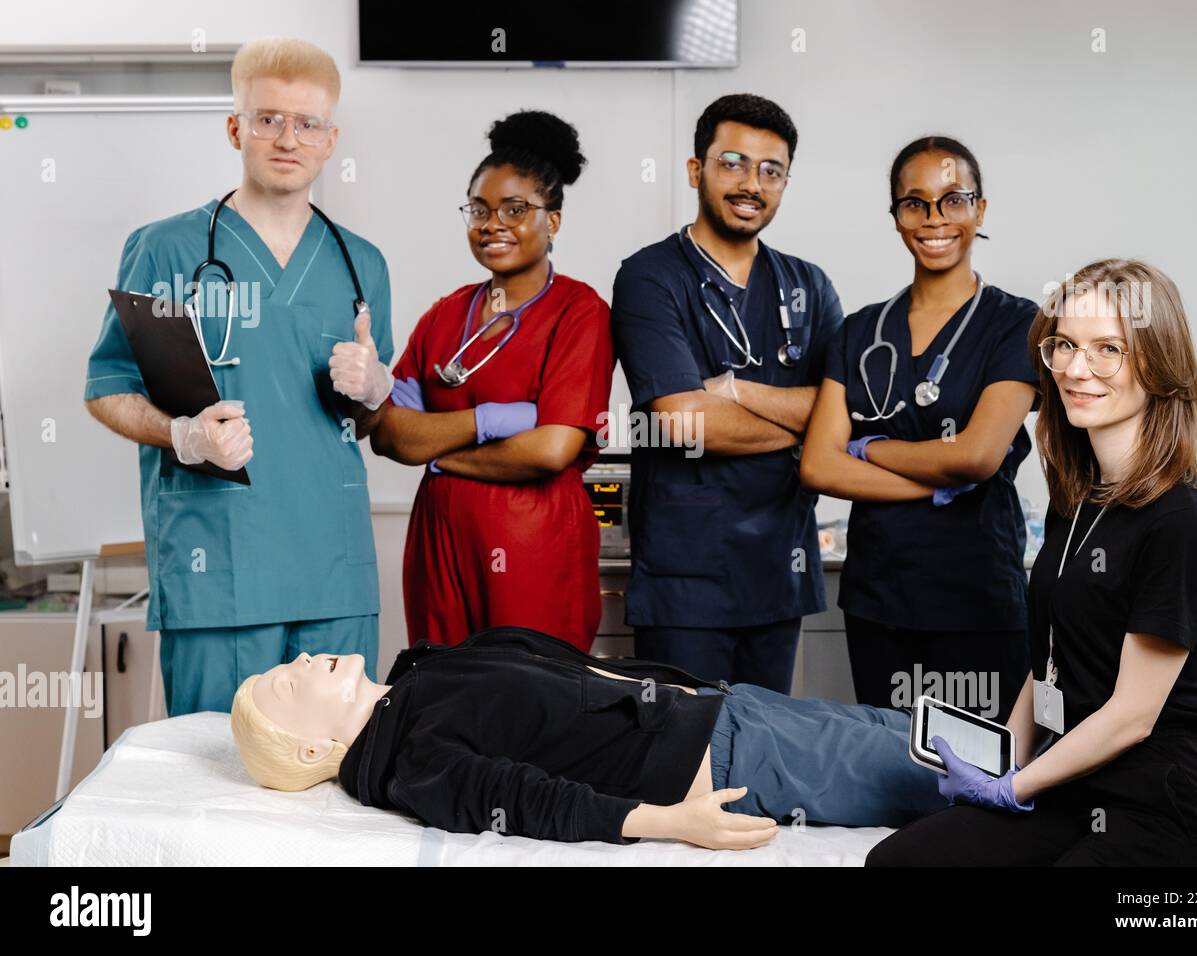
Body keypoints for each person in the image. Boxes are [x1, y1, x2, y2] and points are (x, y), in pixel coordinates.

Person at [865, 259, 1197, 866]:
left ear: (1159, 363)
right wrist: (1004, 764)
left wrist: (1013, 787)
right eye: (1065, 345)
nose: (1075, 369)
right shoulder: (1076, 502)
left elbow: (1130, 717)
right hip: (1071, 782)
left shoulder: (1182, 520)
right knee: (899, 862)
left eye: (1107, 350)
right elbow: (1050, 660)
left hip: (1165, 810)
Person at [84, 37, 393, 716]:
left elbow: (368, 425)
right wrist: (183, 435)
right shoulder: (166, 249)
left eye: (308, 123)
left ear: (331, 139)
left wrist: (376, 390)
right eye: (269, 118)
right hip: (219, 570)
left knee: (332, 786)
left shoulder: (359, 264)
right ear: (236, 128)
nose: (289, 138)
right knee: (212, 784)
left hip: (332, 578)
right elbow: (106, 388)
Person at [229, 625, 948, 848]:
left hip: (727, 709)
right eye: (288, 685)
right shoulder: (413, 761)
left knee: (928, 736)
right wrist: (672, 824)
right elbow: (526, 799)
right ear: (314, 751)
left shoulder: (414, 679)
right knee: (957, 780)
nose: (298, 662)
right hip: (729, 757)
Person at [610, 94, 844, 692]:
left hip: (779, 570)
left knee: (764, 753)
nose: (752, 183)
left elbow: (844, 414)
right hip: (687, 580)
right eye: (733, 163)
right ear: (697, 171)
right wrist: (801, 417)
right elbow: (687, 422)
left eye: (772, 171)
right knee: (683, 761)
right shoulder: (651, 276)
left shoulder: (808, 285)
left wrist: (734, 390)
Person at [801, 136, 1039, 724]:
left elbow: (979, 457)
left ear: (980, 209)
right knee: (892, 769)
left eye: (953, 200)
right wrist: (936, 479)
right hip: (881, 598)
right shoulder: (859, 331)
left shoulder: (1017, 323)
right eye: (915, 203)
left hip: (977, 595)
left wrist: (872, 447)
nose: (935, 219)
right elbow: (820, 466)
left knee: (986, 773)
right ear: (897, 216)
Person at [369, 111, 612, 651]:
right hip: (441, 543)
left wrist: (438, 452)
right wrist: (493, 420)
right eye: (478, 209)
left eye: (515, 209)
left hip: (534, 543)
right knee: (443, 698)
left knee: (531, 702)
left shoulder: (580, 312)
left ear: (552, 221)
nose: (492, 223)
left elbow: (552, 449)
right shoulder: (444, 314)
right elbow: (387, 434)